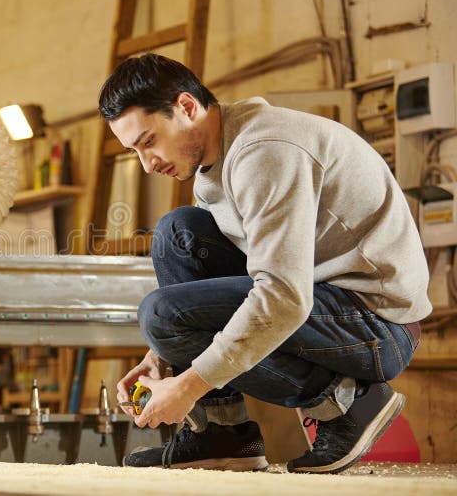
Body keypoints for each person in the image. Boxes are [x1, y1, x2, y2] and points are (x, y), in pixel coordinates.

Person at [99, 54, 429, 474]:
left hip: (377, 325)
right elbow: (240, 280)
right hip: (327, 305)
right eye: (135, 151)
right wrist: (160, 357)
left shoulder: (265, 151)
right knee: (177, 232)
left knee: (161, 313)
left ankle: (347, 405)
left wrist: (186, 387)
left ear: (186, 107)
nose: (147, 164)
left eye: (149, 142)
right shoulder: (213, 163)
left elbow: (282, 298)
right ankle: (221, 432)